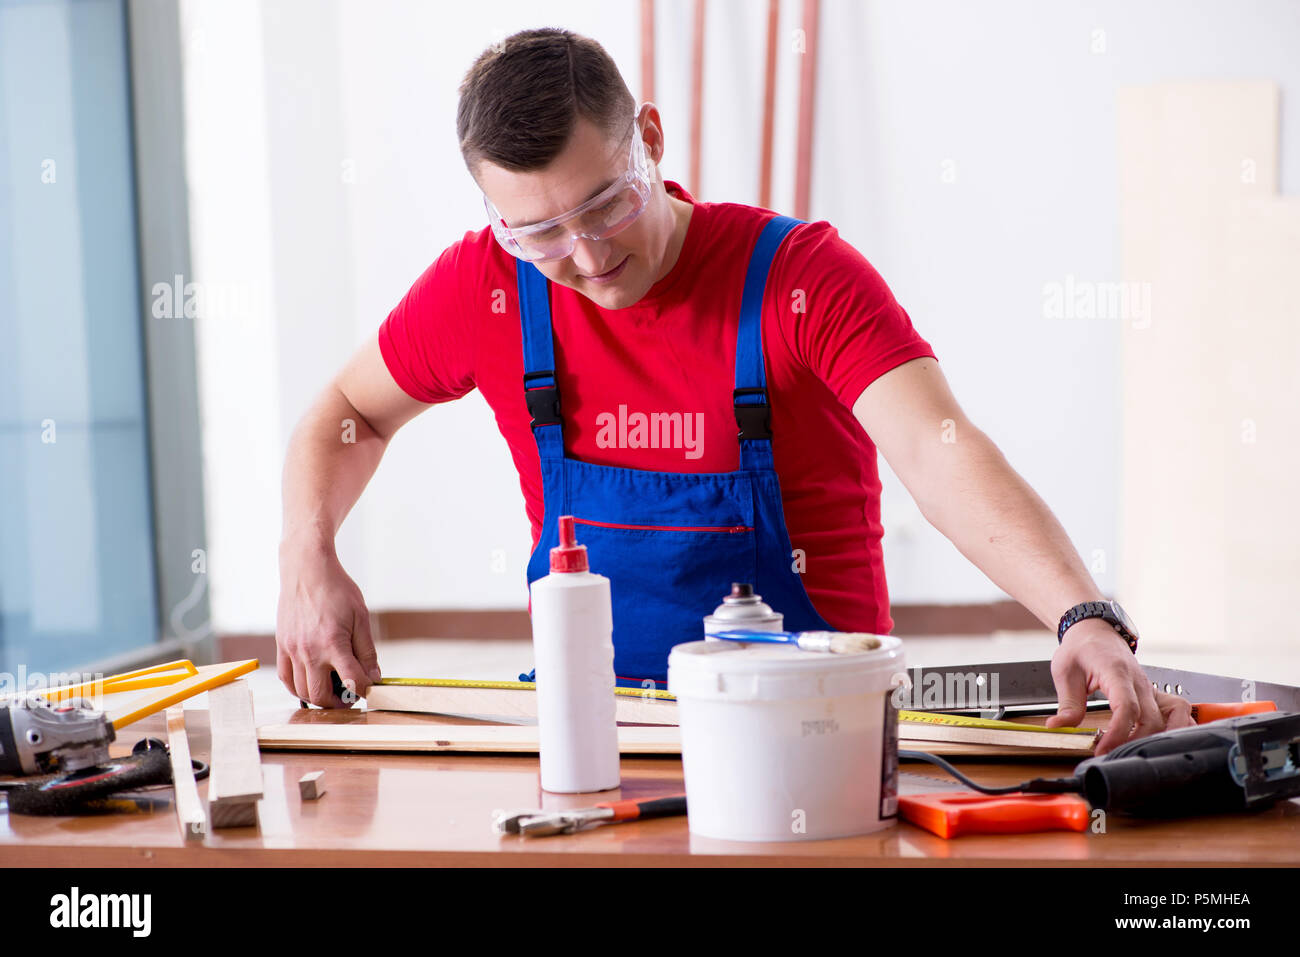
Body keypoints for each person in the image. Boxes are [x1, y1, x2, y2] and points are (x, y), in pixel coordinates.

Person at [276, 27, 1193, 754]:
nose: (588, 260)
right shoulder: (484, 287)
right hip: (594, 742)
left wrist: (1080, 610)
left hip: (810, 743)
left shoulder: (803, 279)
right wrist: (306, 556)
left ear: (651, 139)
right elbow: (344, 414)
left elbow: (935, 448)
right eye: (539, 235)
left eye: (604, 205)